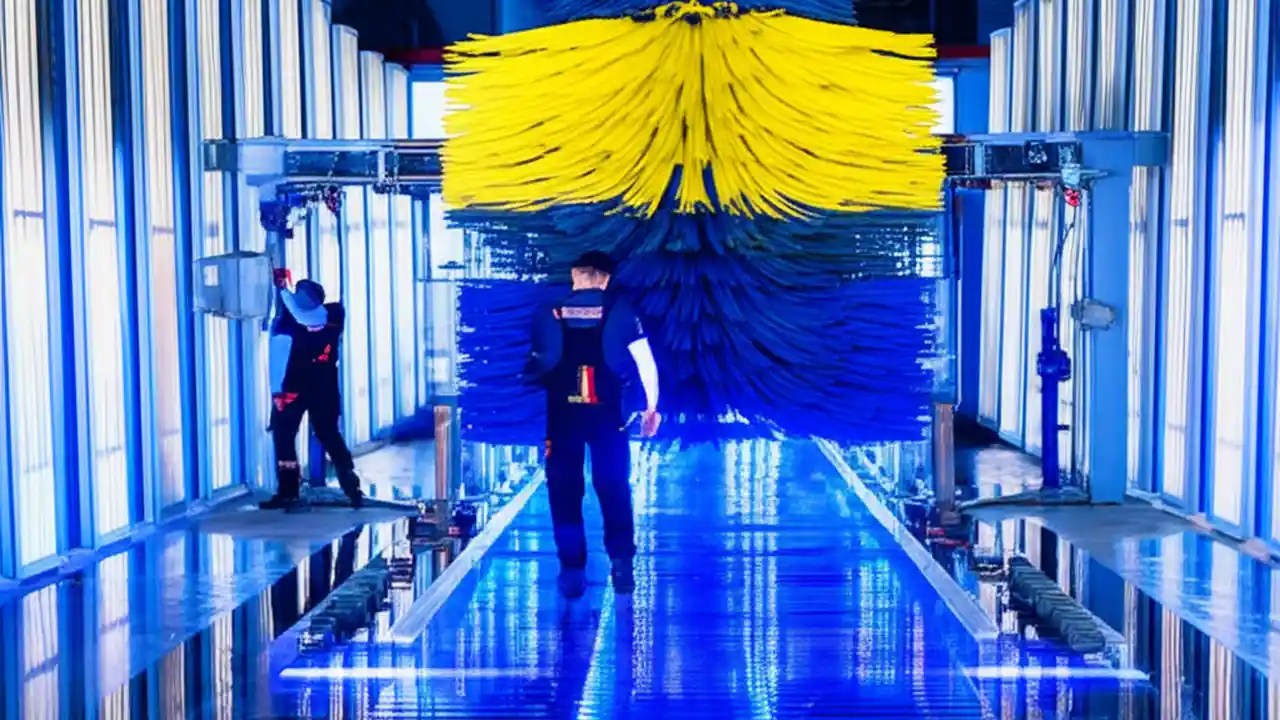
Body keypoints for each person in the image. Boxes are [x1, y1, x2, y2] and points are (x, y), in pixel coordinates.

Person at [527, 251, 661, 598]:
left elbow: (536, 366)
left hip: (562, 419)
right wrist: (651, 408)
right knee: (614, 487)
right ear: (605, 278)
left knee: (564, 491)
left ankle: (572, 571)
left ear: (576, 274)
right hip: (609, 418)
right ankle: (622, 567)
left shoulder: (549, 312)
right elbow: (646, 363)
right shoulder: (623, 312)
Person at [261, 275, 364, 510]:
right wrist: (285, 291)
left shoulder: (293, 321)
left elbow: (278, 356)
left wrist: (283, 291)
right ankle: (350, 486)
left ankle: (289, 492)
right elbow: (304, 317)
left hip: (294, 390)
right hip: (320, 388)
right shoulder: (335, 317)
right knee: (325, 434)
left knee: (287, 436)